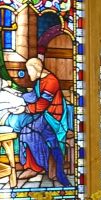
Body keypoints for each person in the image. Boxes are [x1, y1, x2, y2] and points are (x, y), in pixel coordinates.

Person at [15, 56, 71, 186]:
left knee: (28, 131)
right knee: (27, 131)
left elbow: (42, 104)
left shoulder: (51, 81)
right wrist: (18, 96)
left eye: (29, 71)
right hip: (45, 115)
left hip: (52, 117)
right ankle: (34, 167)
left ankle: (38, 166)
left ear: (35, 69)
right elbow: (34, 95)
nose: (29, 75)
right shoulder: (41, 80)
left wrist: (24, 108)